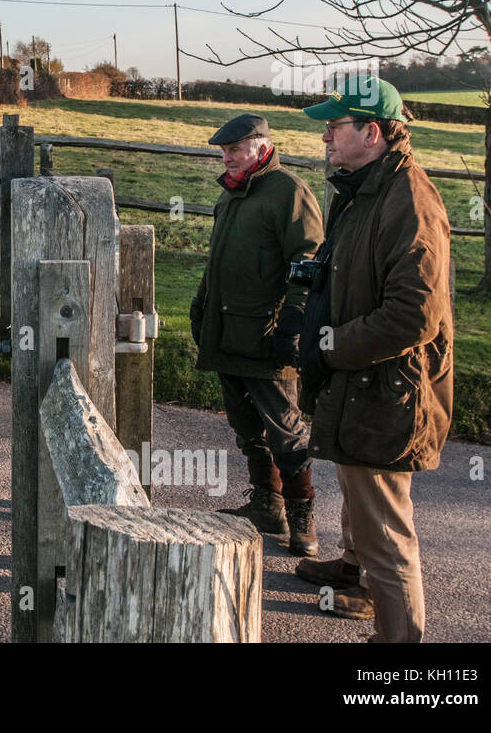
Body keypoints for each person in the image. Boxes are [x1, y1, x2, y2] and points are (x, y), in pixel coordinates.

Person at [293, 76, 452, 643]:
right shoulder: (364, 189)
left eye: (335, 127)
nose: (326, 139)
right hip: (362, 384)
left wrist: (332, 345)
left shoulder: (407, 199)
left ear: (374, 131)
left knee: (387, 536)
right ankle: (353, 575)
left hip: (385, 390)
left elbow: (414, 315)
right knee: (364, 500)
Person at [188, 113, 324, 555]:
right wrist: (201, 302)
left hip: (268, 334)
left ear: (262, 148)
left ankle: (303, 519)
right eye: (224, 151)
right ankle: (268, 505)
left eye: (236, 150)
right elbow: (219, 259)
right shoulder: (230, 196)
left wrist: (294, 320)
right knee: (245, 424)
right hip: (226, 329)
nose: (227, 158)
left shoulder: (288, 191)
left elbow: (310, 258)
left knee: (284, 427)